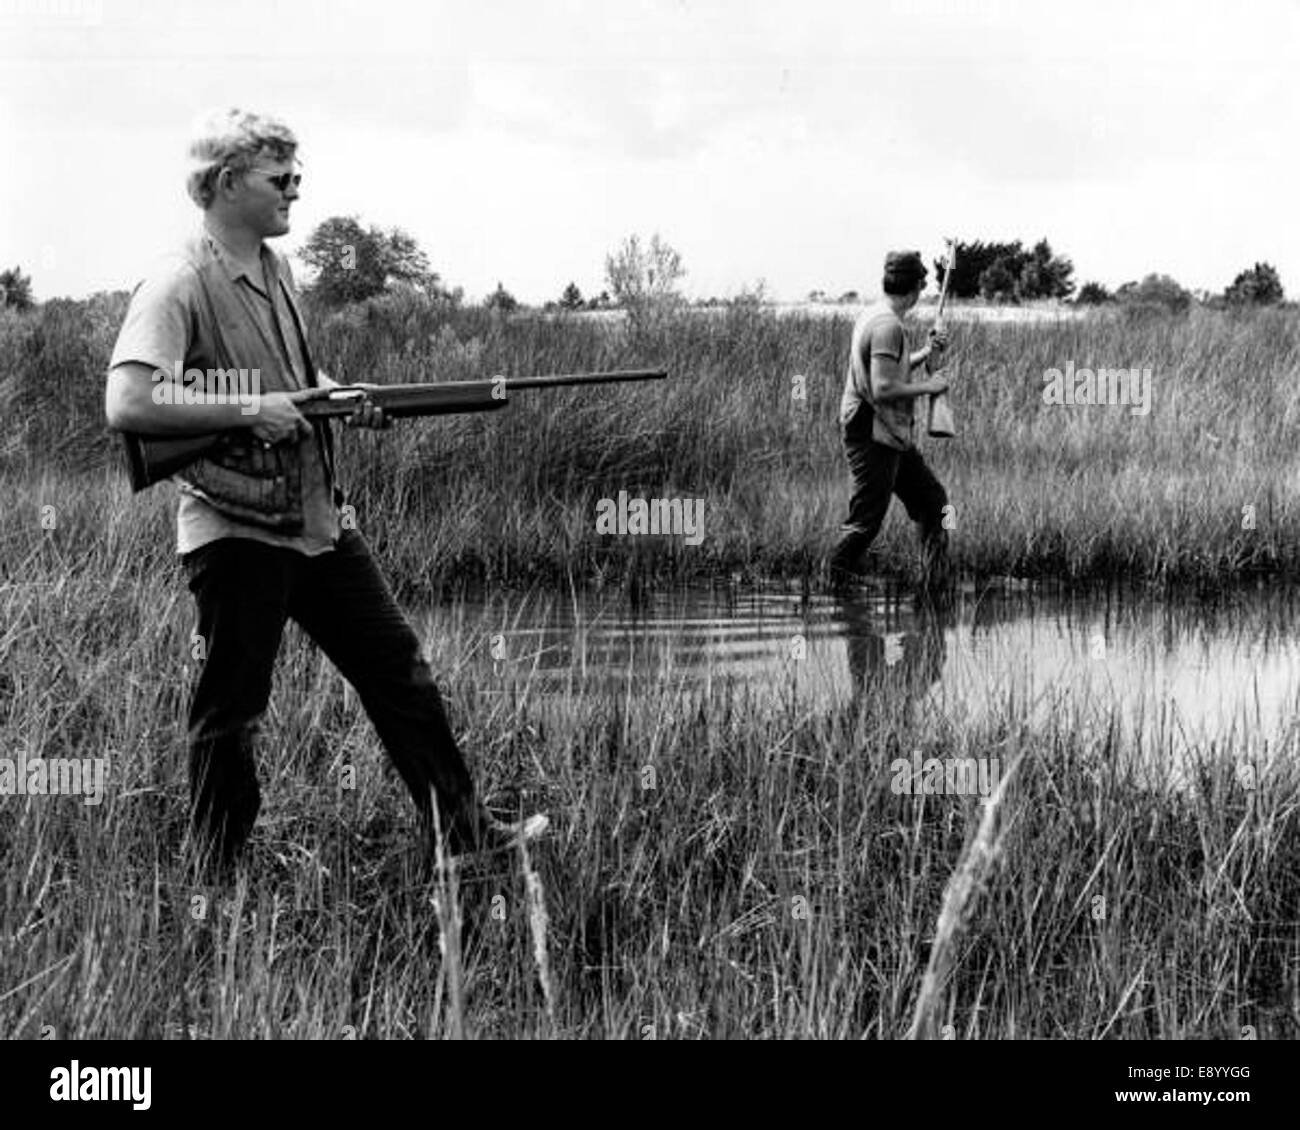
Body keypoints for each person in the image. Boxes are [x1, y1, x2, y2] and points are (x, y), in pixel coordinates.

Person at [103, 108, 545, 877]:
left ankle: (463, 838)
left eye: (296, 177)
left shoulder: (277, 271)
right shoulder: (179, 280)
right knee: (231, 711)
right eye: (282, 179)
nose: (296, 192)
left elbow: (297, 387)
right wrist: (249, 409)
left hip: (314, 518)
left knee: (398, 668)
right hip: (235, 530)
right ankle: (215, 879)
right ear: (228, 181)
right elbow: (130, 405)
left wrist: (343, 397)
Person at [827, 250, 952, 592]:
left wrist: (927, 352)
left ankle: (935, 585)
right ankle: (831, 585)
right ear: (915, 287)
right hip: (872, 430)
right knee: (865, 523)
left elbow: (888, 371)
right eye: (923, 284)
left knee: (934, 503)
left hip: (886, 431)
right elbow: (883, 388)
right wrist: (930, 386)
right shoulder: (887, 327)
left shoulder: (875, 316)